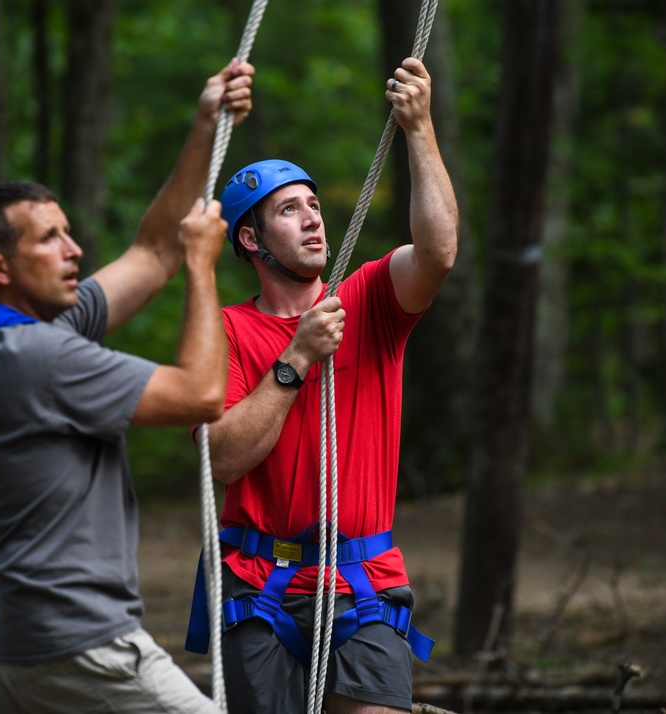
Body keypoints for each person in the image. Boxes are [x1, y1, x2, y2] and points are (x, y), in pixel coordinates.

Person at [0, 59, 255, 714]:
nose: (74, 249)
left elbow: (153, 250)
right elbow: (201, 395)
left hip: (19, 653)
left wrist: (205, 123)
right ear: (0, 267)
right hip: (82, 653)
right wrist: (203, 265)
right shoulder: (39, 354)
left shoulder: (13, 336)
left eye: (69, 232)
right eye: (50, 239)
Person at [187, 56, 458, 713]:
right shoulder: (223, 332)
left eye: (313, 205)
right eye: (289, 211)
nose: (312, 219)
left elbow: (439, 252)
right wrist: (298, 358)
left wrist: (418, 128)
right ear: (250, 238)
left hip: (362, 579)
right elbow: (223, 457)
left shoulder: (366, 298)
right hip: (257, 582)